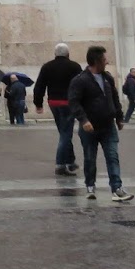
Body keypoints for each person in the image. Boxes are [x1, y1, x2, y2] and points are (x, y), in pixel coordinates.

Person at [67, 45, 133, 203]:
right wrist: (84, 120)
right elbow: (74, 102)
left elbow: (114, 98)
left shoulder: (107, 78)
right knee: (90, 158)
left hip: (108, 125)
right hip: (89, 127)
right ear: (96, 61)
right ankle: (90, 186)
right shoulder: (80, 80)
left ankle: (117, 188)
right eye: (104, 59)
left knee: (112, 156)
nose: (107, 62)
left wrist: (119, 117)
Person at [34, 43, 83, 176]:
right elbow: (81, 85)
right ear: (68, 54)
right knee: (66, 134)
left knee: (64, 132)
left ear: (55, 54)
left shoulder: (47, 67)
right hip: (69, 102)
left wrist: (38, 104)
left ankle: (71, 161)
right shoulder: (75, 66)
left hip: (53, 102)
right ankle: (60, 164)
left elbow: (39, 86)